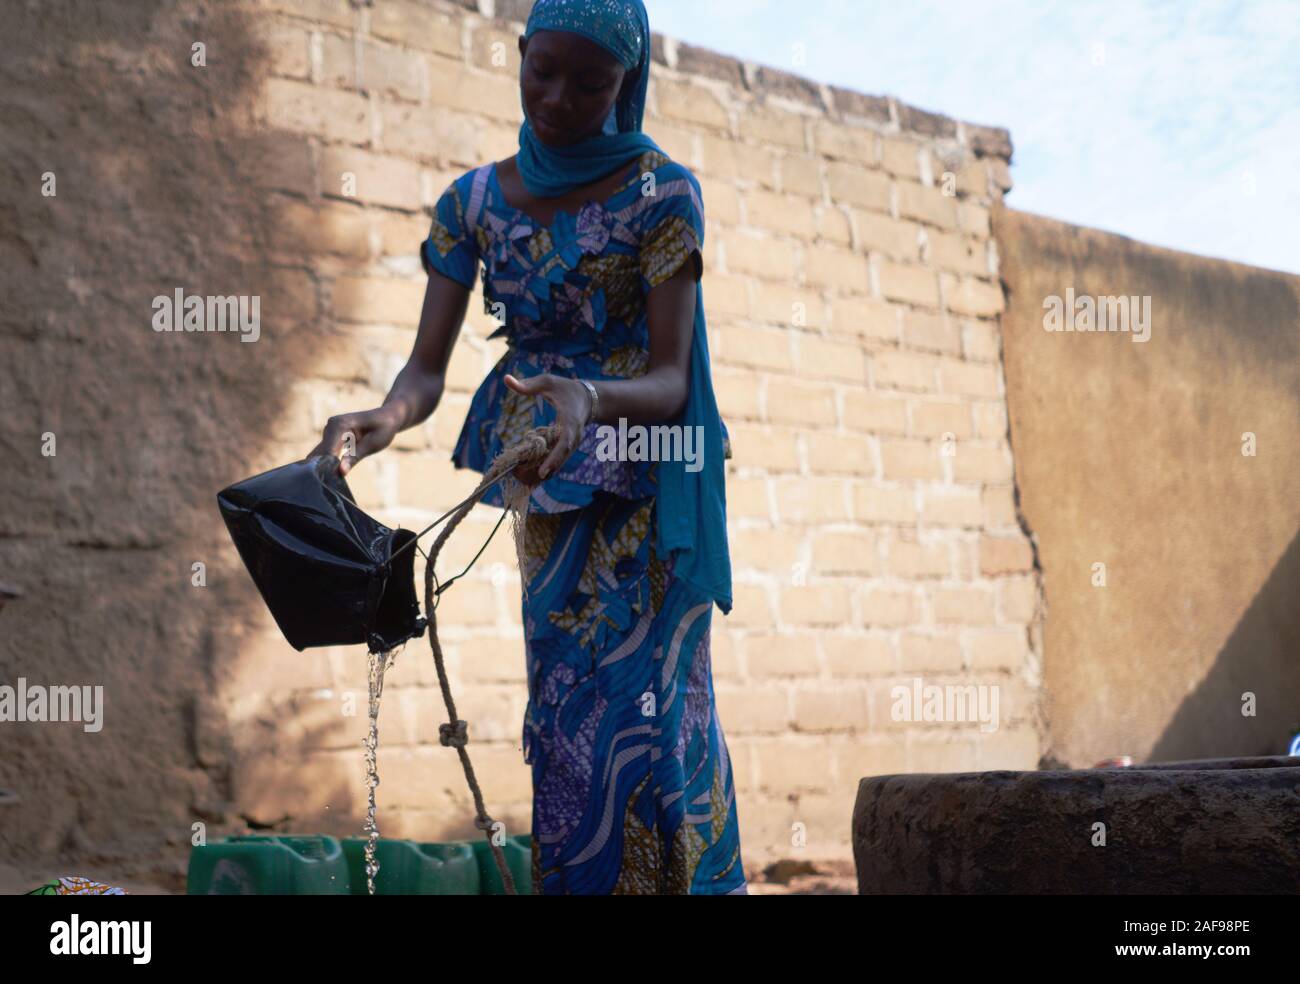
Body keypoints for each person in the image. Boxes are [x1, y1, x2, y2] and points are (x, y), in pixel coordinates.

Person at [309, 0, 746, 895]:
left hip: (646, 489)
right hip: (545, 481)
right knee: (566, 704)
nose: (558, 99)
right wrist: (381, 421)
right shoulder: (471, 204)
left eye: (592, 84)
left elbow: (670, 380)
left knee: (657, 715)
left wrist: (589, 396)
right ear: (519, 52)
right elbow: (424, 374)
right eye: (542, 70)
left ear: (628, 82)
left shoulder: (662, 194)